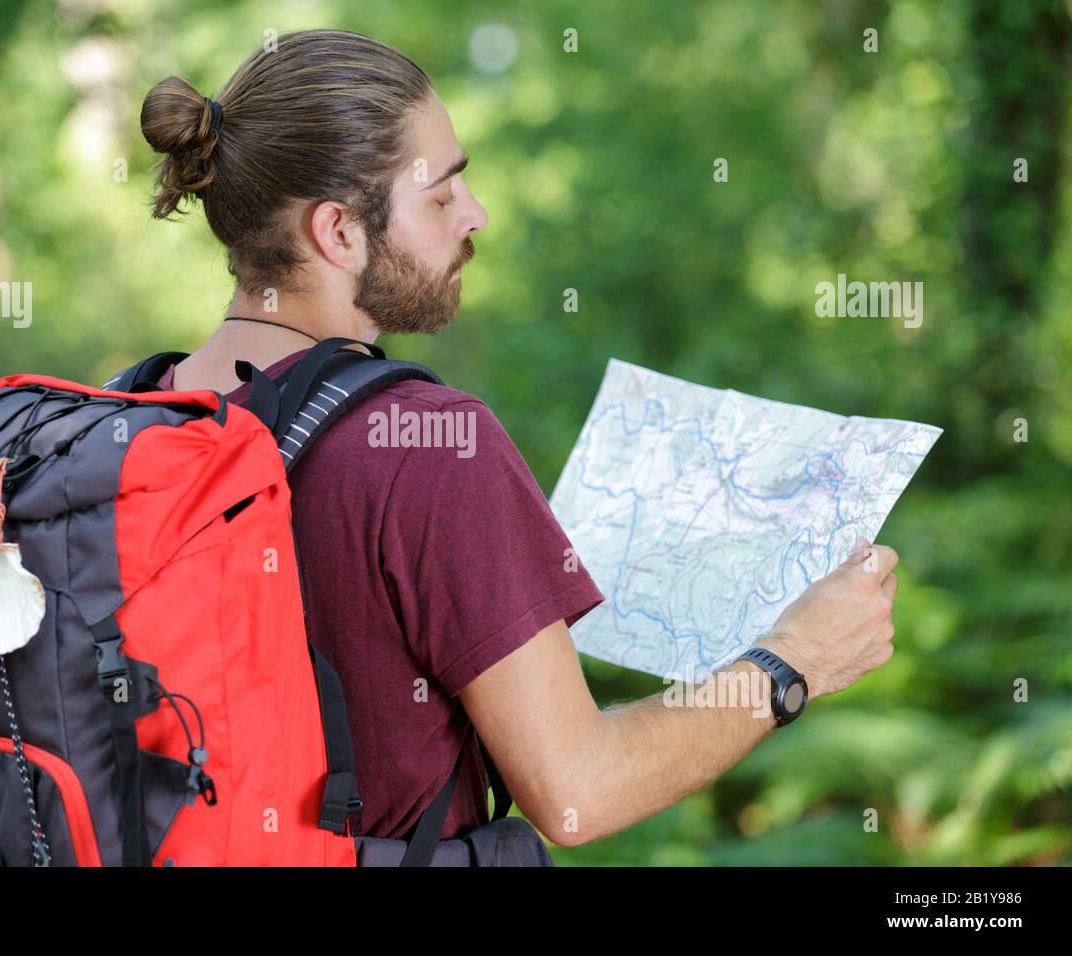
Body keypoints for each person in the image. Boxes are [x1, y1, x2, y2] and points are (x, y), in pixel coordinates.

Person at [136, 28, 899, 849]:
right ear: (340, 233)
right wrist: (793, 661)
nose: (477, 215)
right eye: (440, 195)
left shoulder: (120, 422)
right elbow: (580, 792)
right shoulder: (427, 446)